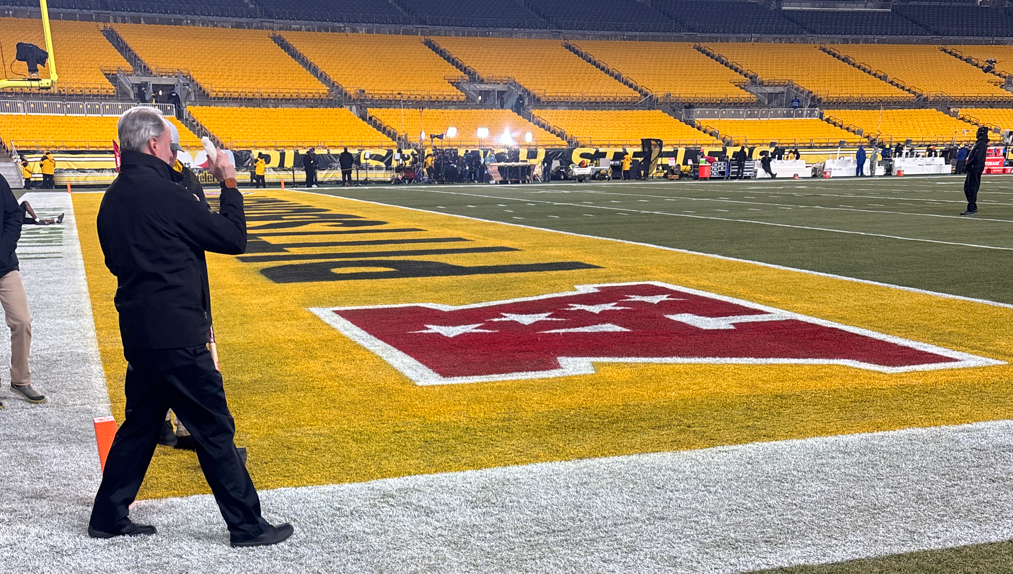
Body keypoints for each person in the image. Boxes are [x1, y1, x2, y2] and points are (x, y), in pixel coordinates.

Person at [89, 106, 292, 547]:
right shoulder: (167, 196)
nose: (175, 154)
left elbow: (113, 261)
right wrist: (229, 182)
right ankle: (247, 525)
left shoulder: (113, 197)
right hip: (178, 335)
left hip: (140, 332)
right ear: (154, 145)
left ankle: (107, 515)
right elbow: (232, 238)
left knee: (140, 427)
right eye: (172, 146)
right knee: (214, 428)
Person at [0, 172, 42, 412]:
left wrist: (2, 251)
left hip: (4, 266)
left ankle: (20, 379)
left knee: (22, 321)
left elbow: (14, 216)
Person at [961, 126, 989, 216]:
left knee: (971, 187)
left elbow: (977, 157)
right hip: (975, 167)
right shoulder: (980, 143)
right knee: (968, 187)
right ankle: (972, 205)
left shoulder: (981, 144)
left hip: (975, 167)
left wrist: (969, 165)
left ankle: (971, 207)